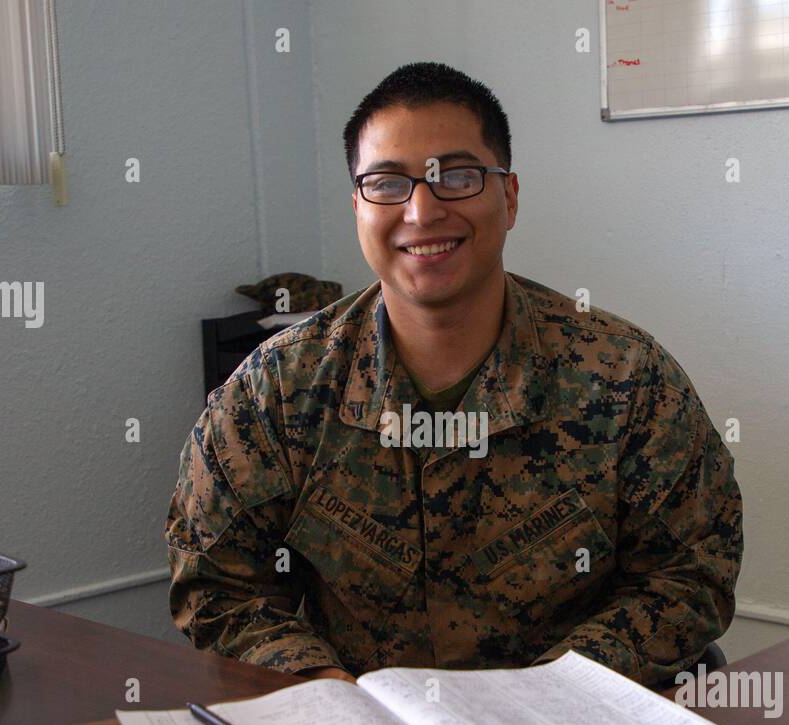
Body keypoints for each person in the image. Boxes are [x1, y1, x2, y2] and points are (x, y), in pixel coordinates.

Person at [165, 62, 742, 688]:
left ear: (510, 196)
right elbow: (219, 586)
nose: (422, 211)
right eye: (387, 183)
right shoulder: (276, 391)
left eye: (457, 177)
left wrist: (546, 694)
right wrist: (326, 689)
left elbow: (689, 574)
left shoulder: (627, 378)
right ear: (358, 206)